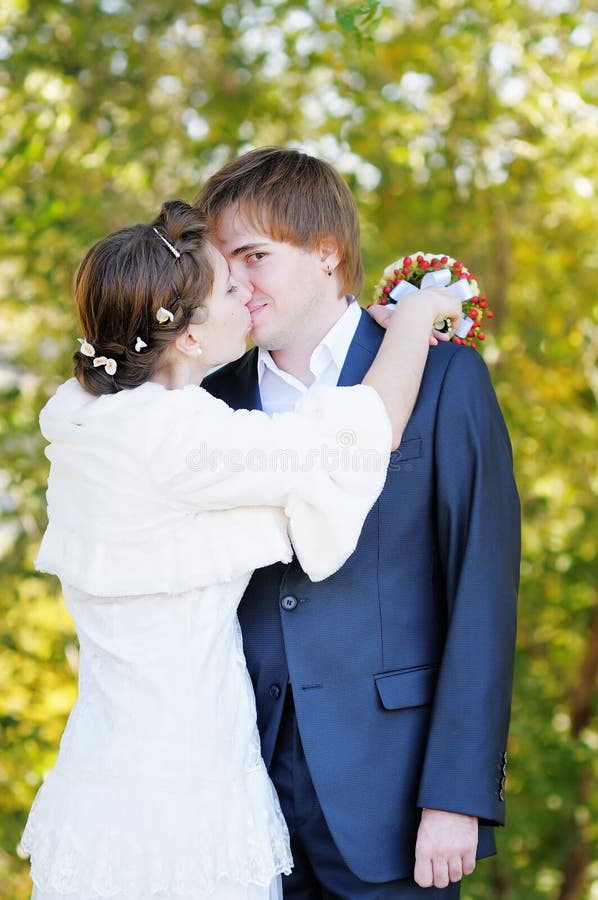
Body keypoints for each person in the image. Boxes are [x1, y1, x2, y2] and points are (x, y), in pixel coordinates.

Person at [21, 199, 463, 900]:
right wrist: (414, 317)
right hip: (183, 791)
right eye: (230, 288)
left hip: (109, 769)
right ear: (190, 337)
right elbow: (354, 435)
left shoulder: (92, 421)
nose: (248, 293)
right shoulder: (181, 436)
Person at [196, 147, 521, 899]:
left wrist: (458, 794)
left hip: (397, 801)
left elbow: (482, 589)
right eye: (223, 263)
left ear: (327, 255)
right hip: (239, 802)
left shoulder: (446, 379)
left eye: (254, 255)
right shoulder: (208, 403)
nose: (234, 283)